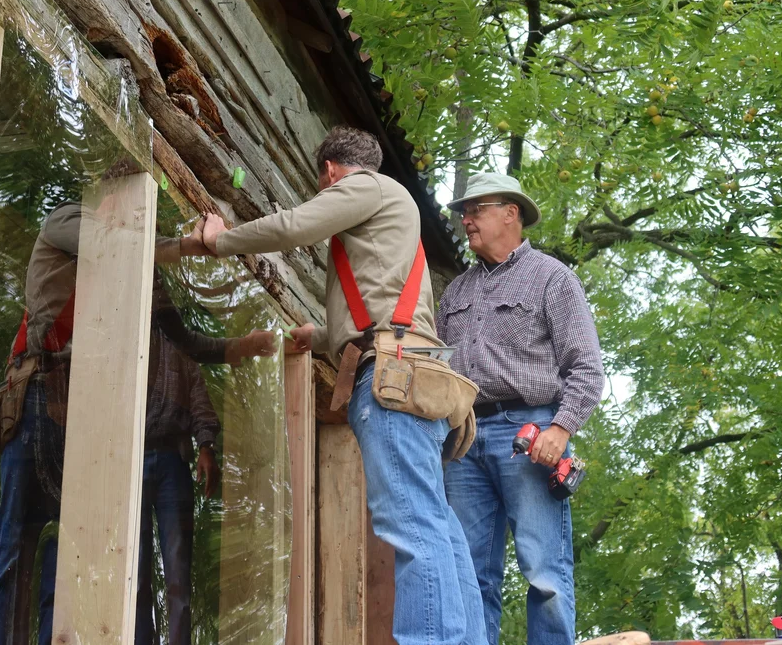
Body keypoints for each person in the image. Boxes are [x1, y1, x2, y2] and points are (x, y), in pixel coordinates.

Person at [201, 126, 487, 645]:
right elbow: (374, 307)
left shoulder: (366, 187)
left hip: (393, 378)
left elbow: (294, 227)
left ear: (329, 172)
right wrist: (319, 335)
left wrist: (221, 240)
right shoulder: (392, 218)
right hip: (414, 369)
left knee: (411, 524)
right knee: (436, 525)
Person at [0, 197, 275, 645]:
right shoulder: (68, 221)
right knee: (16, 548)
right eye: (132, 211)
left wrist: (239, 347)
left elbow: (184, 341)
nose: (136, 222)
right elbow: (111, 244)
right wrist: (186, 244)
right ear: (108, 199)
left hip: (84, 419)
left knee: (66, 557)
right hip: (39, 401)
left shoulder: (135, 274)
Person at [436, 173, 605, 645]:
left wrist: (561, 427)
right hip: (462, 439)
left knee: (544, 569)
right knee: (468, 572)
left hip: (529, 435)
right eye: (463, 212)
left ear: (511, 213)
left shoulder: (552, 278)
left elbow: (587, 369)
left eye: (476, 210)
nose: (465, 219)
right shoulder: (454, 294)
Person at [135, 319, 222, 645]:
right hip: (130, 464)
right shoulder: (119, 335)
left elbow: (198, 392)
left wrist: (206, 445)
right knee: (136, 569)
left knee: (177, 569)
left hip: (173, 460)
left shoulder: (177, 342)